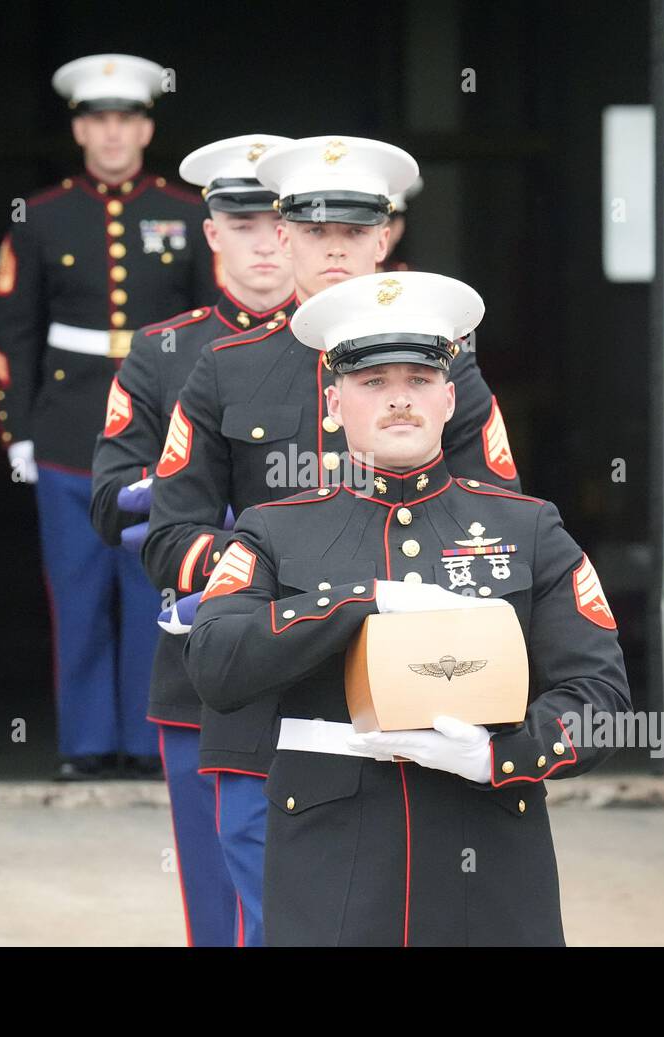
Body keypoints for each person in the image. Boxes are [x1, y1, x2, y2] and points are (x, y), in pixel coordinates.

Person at [144, 136, 522, 946]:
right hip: (267, 708)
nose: (336, 249)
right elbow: (169, 536)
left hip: (414, 701)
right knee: (280, 925)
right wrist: (286, 592)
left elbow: (499, 530)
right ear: (282, 237)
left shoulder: (448, 370)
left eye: (356, 232)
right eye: (316, 233)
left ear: (386, 239)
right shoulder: (223, 369)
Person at [184, 271, 630, 945]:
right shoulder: (272, 529)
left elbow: (602, 702)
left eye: (419, 380)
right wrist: (359, 603)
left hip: (490, 860)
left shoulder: (530, 528)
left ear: (450, 398)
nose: (399, 399)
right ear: (335, 402)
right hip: (333, 865)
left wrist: (499, 755)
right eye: (373, 383)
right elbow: (214, 662)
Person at [89, 133, 296, 946]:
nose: (268, 243)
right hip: (204, 657)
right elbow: (110, 500)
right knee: (217, 901)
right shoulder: (165, 350)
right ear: (212, 232)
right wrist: (209, 509)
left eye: (285, 223)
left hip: (335, 646)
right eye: (246, 224)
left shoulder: (350, 349)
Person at [0, 54, 216, 781]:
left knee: (155, 587)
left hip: (163, 431)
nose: (112, 134)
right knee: (79, 591)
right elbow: (13, 332)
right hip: (67, 430)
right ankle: (86, 743)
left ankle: (151, 739)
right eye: (98, 120)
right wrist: (16, 429)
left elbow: (210, 330)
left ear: (146, 127)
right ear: (79, 129)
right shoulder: (41, 216)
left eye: (126, 120)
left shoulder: (188, 214)